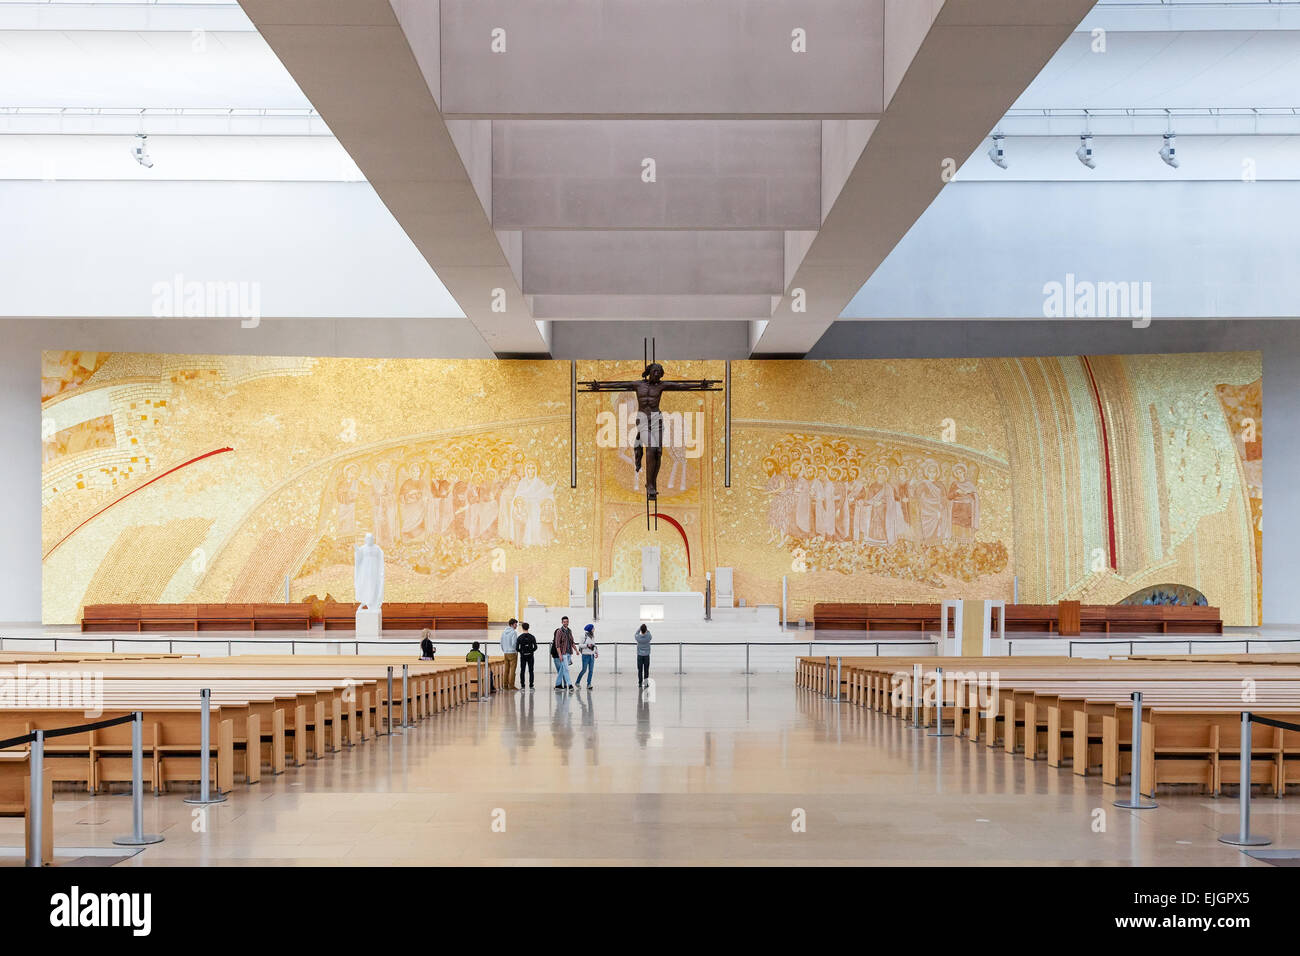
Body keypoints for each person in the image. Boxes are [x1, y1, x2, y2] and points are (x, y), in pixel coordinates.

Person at [553, 615, 575, 691]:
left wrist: (576, 650)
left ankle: (557, 685)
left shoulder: (569, 630)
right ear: (562, 622)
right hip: (563, 653)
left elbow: (572, 642)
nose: (566, 623)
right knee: (566, 669)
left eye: (567, 621)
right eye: (564, 622)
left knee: (562, 669)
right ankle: (570, 685)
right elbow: (557, 644)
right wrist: (560, 655)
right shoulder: (559, 631)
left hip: (569, 653)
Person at [515, 622, 538, 689]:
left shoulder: (519, 637)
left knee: (522, 670)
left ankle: (522, 684)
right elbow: (535, 647)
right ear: (528, 627)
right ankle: (531, 684)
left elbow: (517, 648)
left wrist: (521, 652)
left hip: (523, 656)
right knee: (531, 670)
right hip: (530, 656)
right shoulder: (532, 637)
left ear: (522, 628)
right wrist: (531, 651)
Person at [575, 623, 597, 689]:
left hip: (591, 656)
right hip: (585, 656)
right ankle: (577, 682)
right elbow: (580, 645)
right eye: (593, 628)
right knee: (584, 670)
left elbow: (594, 645)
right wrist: (587, 645)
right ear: (590, 629)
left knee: (591, 670)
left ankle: (589, 684)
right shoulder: (583, 636)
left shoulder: (592, 636)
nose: (594, 629)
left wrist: (596, 652)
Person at [500, 618, 519, 690]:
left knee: (506, 670)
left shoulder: (504, 632)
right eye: (515, 624)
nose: (516, 625)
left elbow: (501, 642)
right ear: (511, 624)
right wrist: (515, 650)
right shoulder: (513, 632)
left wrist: (504, 650)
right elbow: (514, 643)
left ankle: (505, 685)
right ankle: (511, 685)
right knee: (512, 670)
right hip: (512, 652)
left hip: (505, 652)